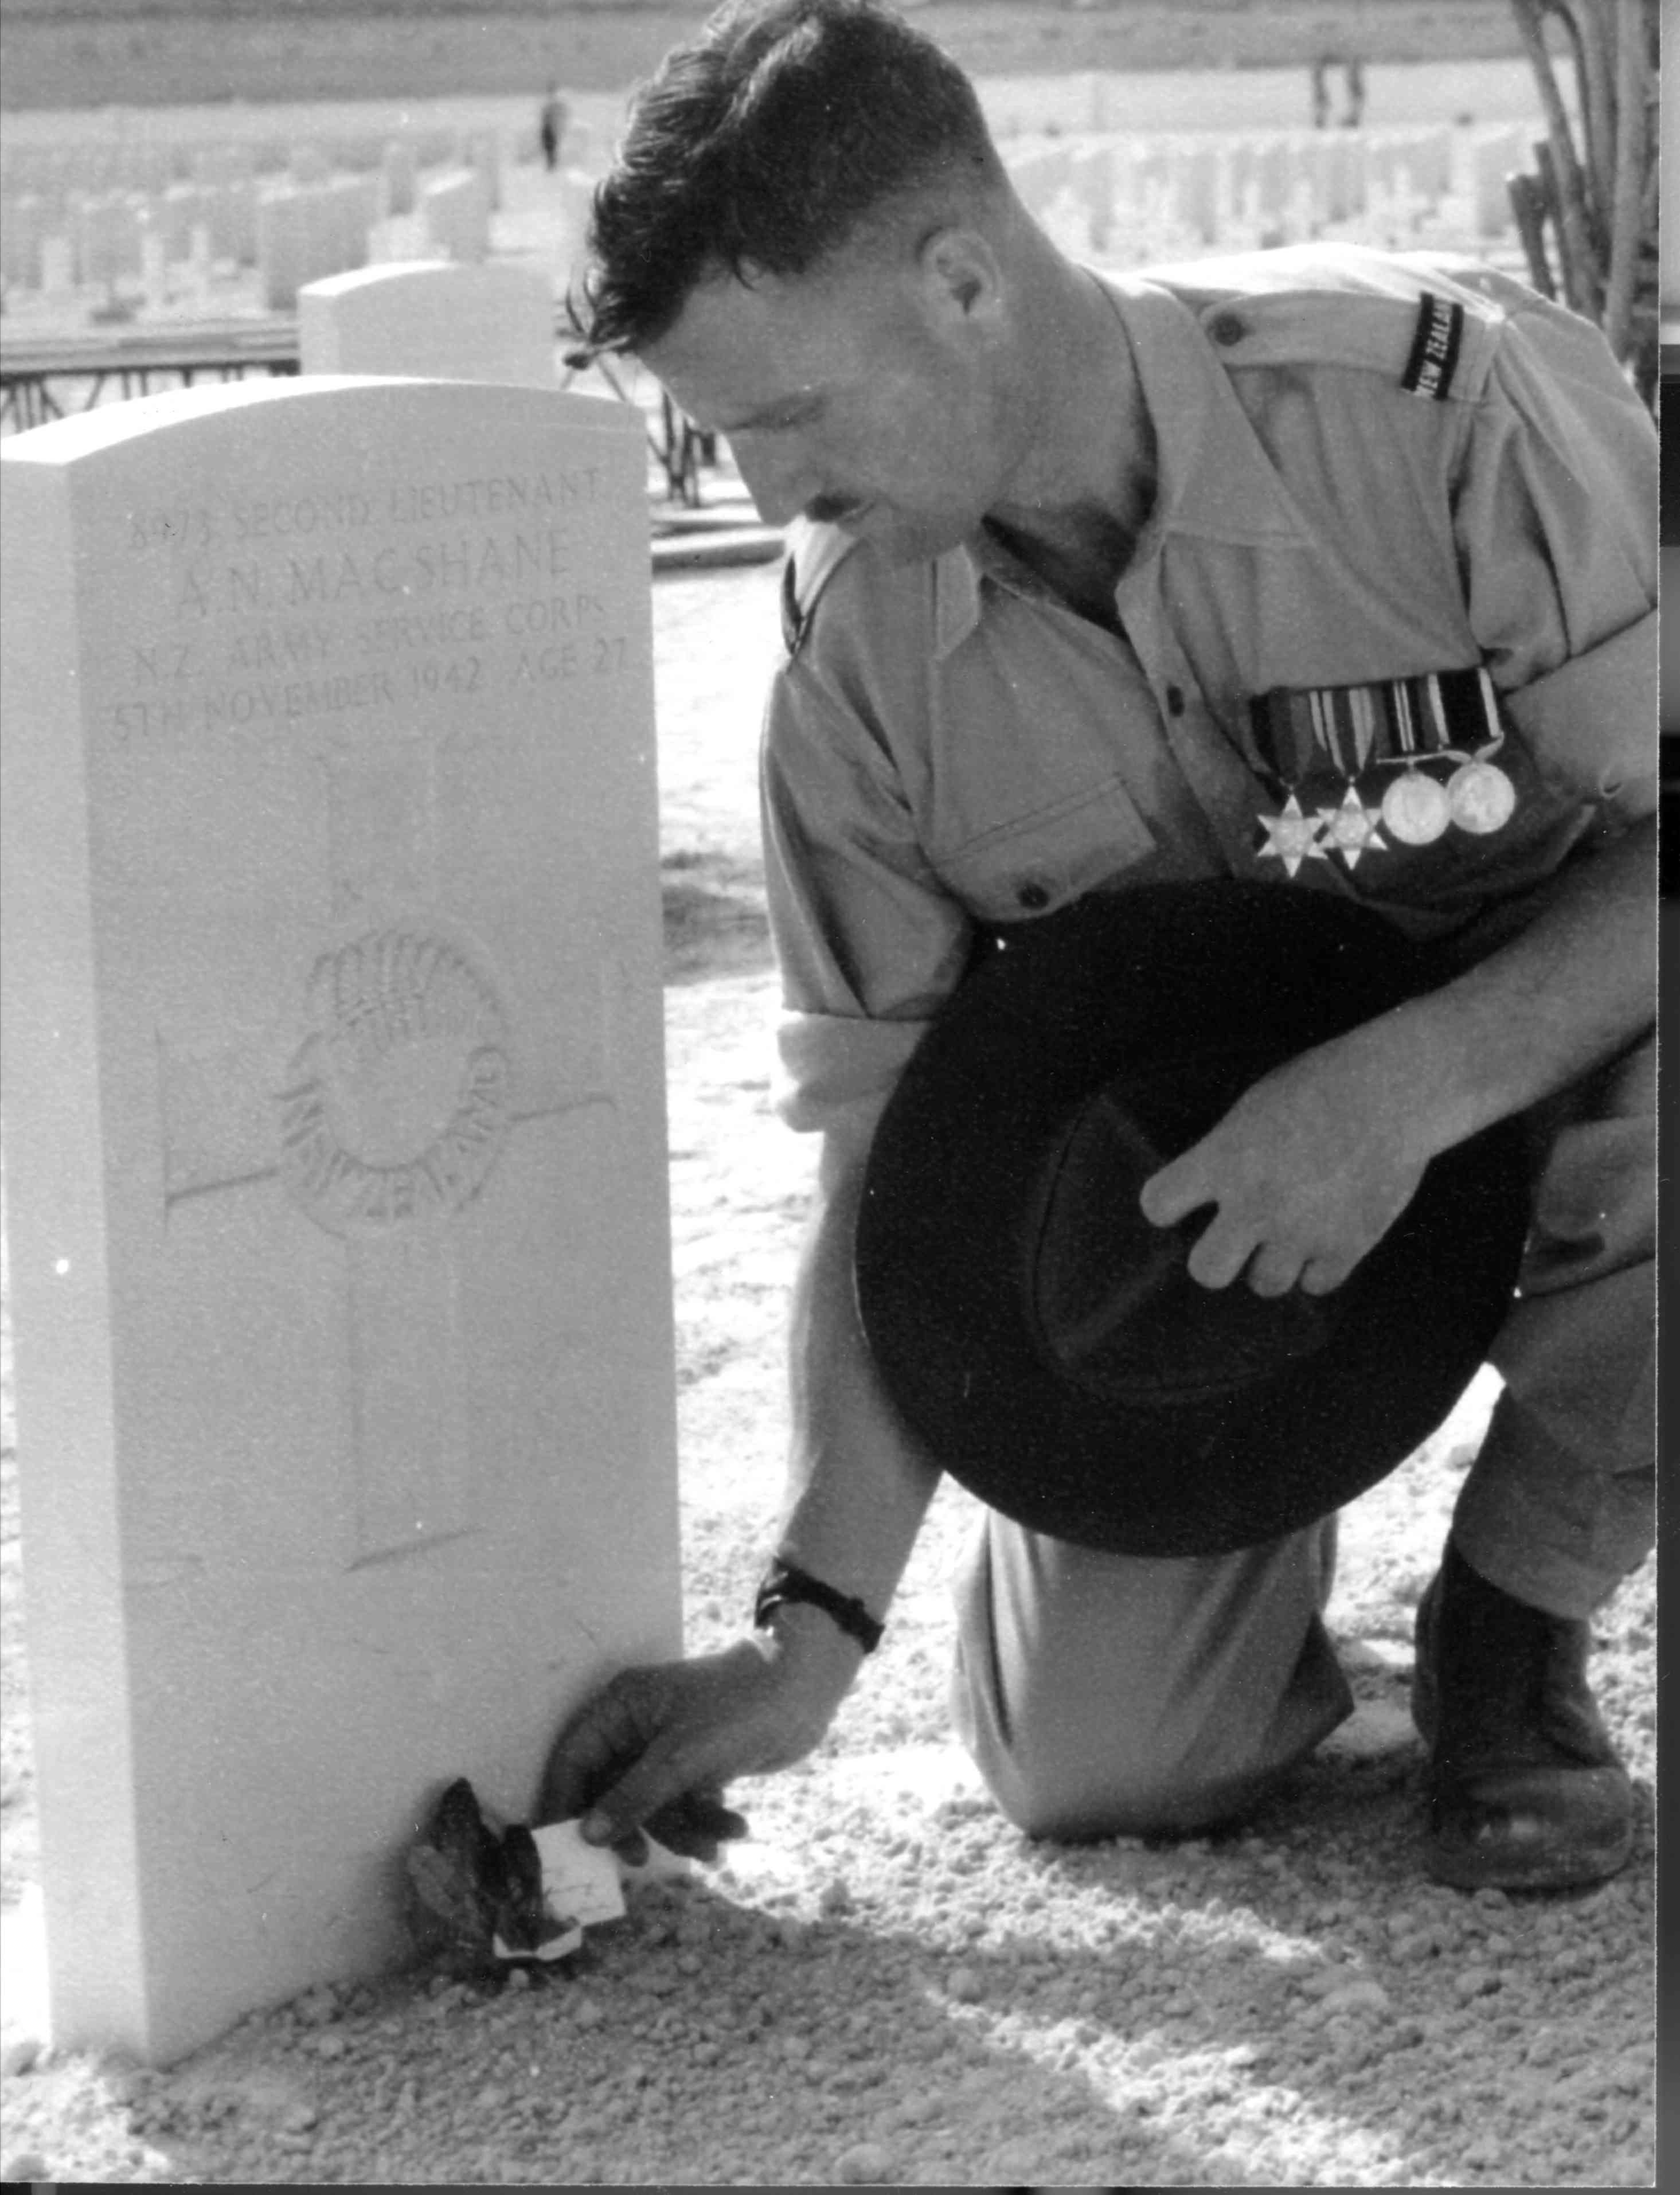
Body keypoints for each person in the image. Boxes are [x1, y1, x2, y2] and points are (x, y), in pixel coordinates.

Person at [539, 0, 1655, 1891]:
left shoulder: (1441, 417)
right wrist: (807, 1634)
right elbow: (894, 1165)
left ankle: (1517, 1605)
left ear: (964, 282)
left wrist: (1411, 1081)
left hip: (1565, 1082)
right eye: (714, 437)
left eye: (790, 414)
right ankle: (1270, 1591)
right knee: (1108, 1766)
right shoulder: (855, 668)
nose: (762, 494)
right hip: (1208, 1204)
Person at [538, 80, 568, 173]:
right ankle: (552, 165)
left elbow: (549, 115)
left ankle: (552, 166)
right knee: (550, 147)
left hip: (551, 127)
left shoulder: (552, 101)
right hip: (551, 127)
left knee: (551, 147)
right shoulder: (553, 101)